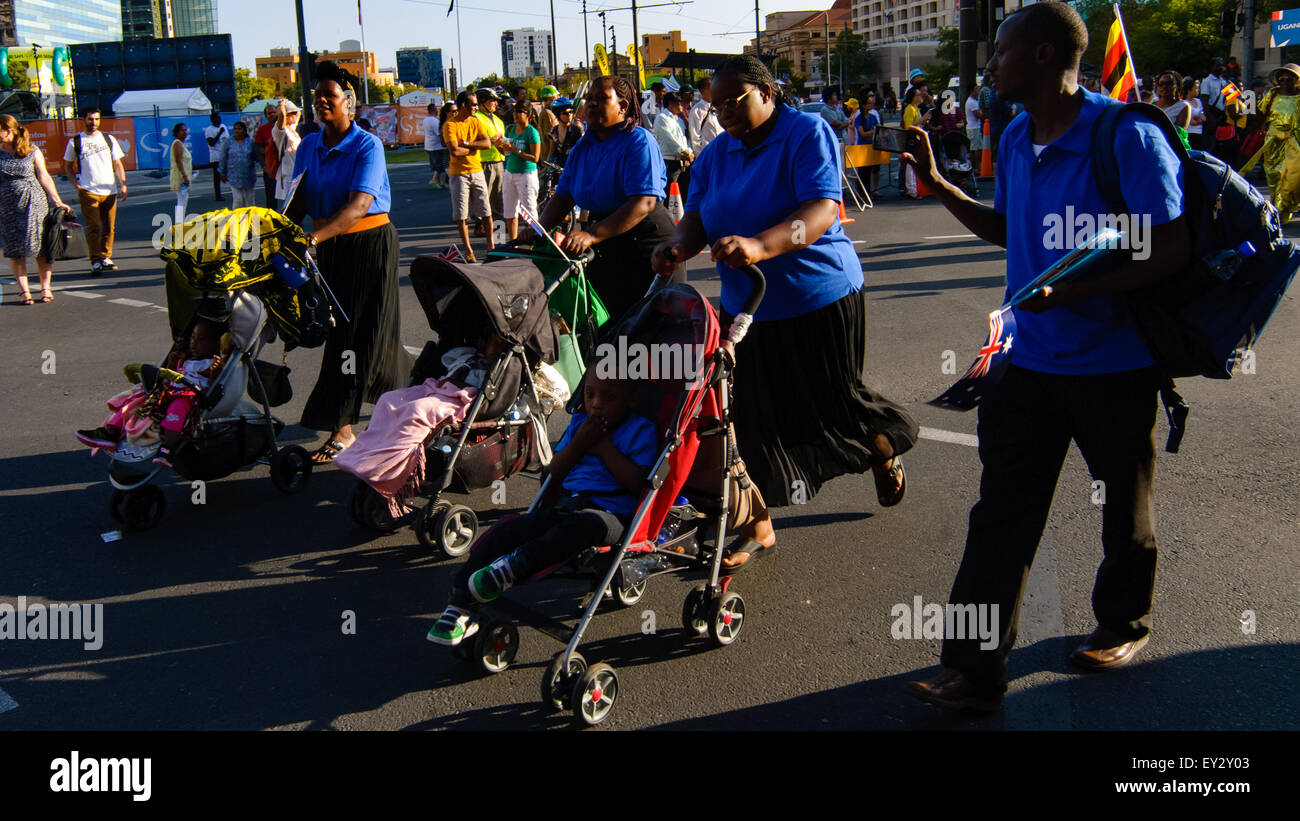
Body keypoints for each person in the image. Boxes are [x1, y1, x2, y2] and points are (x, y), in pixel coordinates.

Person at [900, 2, 1189, 712]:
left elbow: (1170, 247)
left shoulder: (1125, 138)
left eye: (1000, 51)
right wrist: (943, 190)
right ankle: (973, 667)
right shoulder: (1021, 132)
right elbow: (1011, 228)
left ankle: (1123, 622)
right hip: (1028, 363)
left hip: (1115, 367)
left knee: (1123, 507)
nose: (990, 63)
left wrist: (1077, 288)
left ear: (1039, 56)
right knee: (1000, 513)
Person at [651, 55, 918, 571]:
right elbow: (698, 218)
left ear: (767, 93)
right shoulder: (714, 156)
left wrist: (759, 245)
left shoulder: (805, 133)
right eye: (717, 105)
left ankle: (882, 447)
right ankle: (756, 523)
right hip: (747, 310)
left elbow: (820, 211)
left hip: (818, 295)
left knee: (836, 403)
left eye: (736, 101)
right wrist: (677, 246)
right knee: (748, 416)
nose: (725, 113)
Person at [427, 371, 658, 646]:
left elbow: (638, 484)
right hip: (568, 505)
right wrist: (582, 442)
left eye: (609, 398)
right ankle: (460, 605)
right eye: (590, 394)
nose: (596, 404)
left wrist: (605, 448)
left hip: (611, 515)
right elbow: (554, 472)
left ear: (631, 399)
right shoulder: (581, 424)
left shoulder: (642, 430)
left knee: (582, 526)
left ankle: (513, 567)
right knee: (506, 530)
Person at [285, 61, 410, 464]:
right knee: (357, 334)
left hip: (368, 245)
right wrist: (276, 234)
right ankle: (410, 395)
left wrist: (313, 238)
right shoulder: (308, 145)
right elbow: (297, 200)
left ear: (349, 103)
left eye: (330, 96)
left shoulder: (366, 145)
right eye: (316, 96)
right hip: (330, 246)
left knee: (357, 335)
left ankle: (342, 429)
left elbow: (358, 207)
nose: (320, 101)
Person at [525, 75, 683, 321]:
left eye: (602, 99)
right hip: (605, 246)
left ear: (623, 106)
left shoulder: (638, 141)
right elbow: (562, 197)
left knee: (648, 333)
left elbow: (644, 202)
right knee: (607, 328)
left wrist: (591, 234)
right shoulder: (581, 147)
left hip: (647, 245)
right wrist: (538, 228)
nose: (592, 104)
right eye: (589, 99)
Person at [0, 115, 69, 305]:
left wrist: (57, 200)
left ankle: (45, 288)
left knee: (41, 247)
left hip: (34, 203)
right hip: (7, 206)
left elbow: (43, 175)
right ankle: (24, 292)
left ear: (10, 130)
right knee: (15, 250)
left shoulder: (31, 150)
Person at [152, 318, 226, 468]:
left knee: (178, 407)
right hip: (170, 392)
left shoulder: (210, 364)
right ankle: (111, 430)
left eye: (200, 339)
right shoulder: (186, 358)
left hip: (188, 398)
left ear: (214, 344)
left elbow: (211, 389)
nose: (193, 342)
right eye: (192, 337)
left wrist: (214, 374)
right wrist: (172, 366)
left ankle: (168, 447)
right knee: (139, 395)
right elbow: (172, 379)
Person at [63, 107, 127, 275]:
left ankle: (106, 256)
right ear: (83, 120)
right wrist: (75, 185)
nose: (94, 123)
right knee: (93, 227)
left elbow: (118, 163)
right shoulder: (76, 142)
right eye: (90, 119)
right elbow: (68, 166)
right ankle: (95, 261)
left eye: (97, 119)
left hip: (109, 189)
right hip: (88, 190)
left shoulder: (108, 139)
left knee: (109, 227)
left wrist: (123, 183)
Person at [442, 90, 494, 261]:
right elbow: (454, 151)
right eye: (473, 104)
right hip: (459, 175)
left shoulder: (476, 121)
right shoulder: (450, 125)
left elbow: (487, 143)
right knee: (461, 215)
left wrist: (468, 144)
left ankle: (491, 247)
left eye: (477, 104)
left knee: (487, 211)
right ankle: (469, 250)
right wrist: (474, 148)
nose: (476, 107)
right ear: (463, 105)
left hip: (478, 170)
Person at [1246, 64, 1300, 224]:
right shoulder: (1272, 93)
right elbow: (1260, 115)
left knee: (1292, 179)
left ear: (1296, 79)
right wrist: (1248, 105)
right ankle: (1278, 214)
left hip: (1294, 142)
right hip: (1273, 142)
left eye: (1289, 77)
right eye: (1281, 76)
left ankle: (1284, 209)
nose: (1284, 80)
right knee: (1275, 177)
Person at [499, 103, 540, 239]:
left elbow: (535, 157)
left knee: (530, 212)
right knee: (510, 212)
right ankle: (513, 243)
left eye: (519, 112)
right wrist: (498, 145)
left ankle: (533, 246)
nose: (515, 114)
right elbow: (505, 152)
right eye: (514, 111)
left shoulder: (531, 132)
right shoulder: (510, 128)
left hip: (526, 174)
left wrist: (517, 150)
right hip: (510, 172)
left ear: (528, 115)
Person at [654, 92, 693, 202]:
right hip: (670, 162)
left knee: (682, 195)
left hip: (682, 162)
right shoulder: (662, 118)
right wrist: (685, 152)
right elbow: (669, 140)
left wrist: (689, 152)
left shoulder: (678, 120)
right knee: (670, 196)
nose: (682, 105)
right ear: (671, 103)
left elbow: (684, 139)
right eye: (679, 102)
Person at [475, 88, 507, 218]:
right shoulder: (476, 118)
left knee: (499, 196)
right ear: (482, 101)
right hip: (484, 162)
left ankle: (498, 226)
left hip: (499, 160)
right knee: (484, 196)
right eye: (492, 100)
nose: (496, 103)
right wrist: (492, 140)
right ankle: (481, 223)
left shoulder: (497, 120)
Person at [219, 121, 258, 208]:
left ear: (244, 131)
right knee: (238, 200)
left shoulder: (250, 142)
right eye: (235, 129)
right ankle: (237, 220)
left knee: (250, 201)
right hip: (234, 176)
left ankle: (252, 220)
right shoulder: (228, 142)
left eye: (239, 129)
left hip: (249, 176)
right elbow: (222, 158)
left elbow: (256, 156)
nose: (237, 131)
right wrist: (222, 173)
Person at [900, 88, 931, 198]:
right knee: (910, 165)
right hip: (911, 139)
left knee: (913, 164)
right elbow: (909, 126)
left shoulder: (915, 108)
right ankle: (911, 190)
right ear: (913, 98)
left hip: (916, 139)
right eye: (918, 95)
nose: (921, 96)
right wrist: (923, 119)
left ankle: (913, 189)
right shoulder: (910, 109)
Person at [272, 100, 302, 209]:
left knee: (298, 205)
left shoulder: (292, 129)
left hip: (298, 171)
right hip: (288, 173)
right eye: (292, 113)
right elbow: (281, 117)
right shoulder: (279, 131)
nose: (295, 114)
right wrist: (282, 105)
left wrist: (289, 102)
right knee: (289, 206)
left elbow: (299, 113)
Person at [1153, 70, 1191, 149]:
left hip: (1174, 149)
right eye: (1161, 84)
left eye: (1169, 83)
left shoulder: (1183, 106)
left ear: (1177, 86)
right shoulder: (1151, 106)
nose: (1164, 87)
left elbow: (1178, 133)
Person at [857, 92, 885, 194]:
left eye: (871, 103)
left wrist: (873, 131)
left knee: (869, 171)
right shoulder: (859, 118)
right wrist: (873, 131)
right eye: (868, 103)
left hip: (871, 145)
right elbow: (863, 134)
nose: (871, 105)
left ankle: (868, 192)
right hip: (861, 147)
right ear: (864, 105)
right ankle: (862, 193)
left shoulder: (873, 116)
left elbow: (879, 128)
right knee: (862, 172)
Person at [253, 101, 280, 207]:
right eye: (269, 113)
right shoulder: (262, 129)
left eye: (274, 112)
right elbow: (257, 149)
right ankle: (272, 221)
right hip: (270, 168)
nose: (272, 115)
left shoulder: (284, 126)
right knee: (271, 197)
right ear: (266, 116)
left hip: (285, 166)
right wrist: (264, 166)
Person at [689, 74, 722, 155]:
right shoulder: (697, 110)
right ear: (702, 90)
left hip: (722, 151)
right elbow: (695, 136)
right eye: (710, 87)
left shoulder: (719, 107)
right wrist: (701, 156)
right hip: (708, 153)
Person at [549, 98, 584, 166]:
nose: (569, 115)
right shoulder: (554, 131)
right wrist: (546, 167)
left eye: (571, 111)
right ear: (558, 115)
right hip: (558, 167)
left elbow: (583, 151)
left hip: (574, 165)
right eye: (565, 113)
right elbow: (551, 151)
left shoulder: (577, 130)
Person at [169, 122, 193, 224]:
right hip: (180, 177)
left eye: (185, 130)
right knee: (182, 200)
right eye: (182, 130)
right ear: (177, 132)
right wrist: (184, 175)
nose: (185, 132)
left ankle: (180, 222)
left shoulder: (181, 144)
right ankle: (179, 223)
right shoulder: (177, 143)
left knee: (183, 200)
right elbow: (178, 160)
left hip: (183, 175)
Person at [202, 112, 228, 202]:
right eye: (217, 118)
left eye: (219, 118)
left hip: (225, 154)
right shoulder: (209, 130)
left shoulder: (223, 126)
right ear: (212, 120)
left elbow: (227, 140)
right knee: (216, 176)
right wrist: (219, 133)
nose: (219, 120)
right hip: (215, 156)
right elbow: (211, 142)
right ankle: (218, 195)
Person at [536, 85, 562, 173]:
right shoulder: (548, 113)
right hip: (550, 159)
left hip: (547, 158)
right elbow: (552, 139)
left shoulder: (547, 112)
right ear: (550, 98)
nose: (558, 98)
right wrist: (548, 161)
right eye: (556, 96)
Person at [424, 101, 449, 188]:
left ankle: (438, 180)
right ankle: (435, 179)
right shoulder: (434, 121)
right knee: (439, 164)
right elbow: (439, 134)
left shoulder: (425, 120)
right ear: (435, 111)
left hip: (429, 145)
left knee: (435, 163)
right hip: (436, 146)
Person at [1181, 76, 1206, 151]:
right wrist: (1199, 120)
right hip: (1189, 133)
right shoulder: (1184, 103)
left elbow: (1203, 117)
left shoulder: (1198, 101)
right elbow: (1191, 122)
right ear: (1189, 90)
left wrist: (1198, 119)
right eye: (1196, 88)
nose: (1198, 90)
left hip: (1199, 133)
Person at [964, 83, 984, 170]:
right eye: (976, 89)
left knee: (978, 147)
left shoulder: (974, 101)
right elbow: (978, 114)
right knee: (974, 149)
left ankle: (977, 166)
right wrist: (983, 113)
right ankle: (975, 167)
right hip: (973, 127)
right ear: (972, 91)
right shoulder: (971, 102)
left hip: (975, 127)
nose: (978, 91)